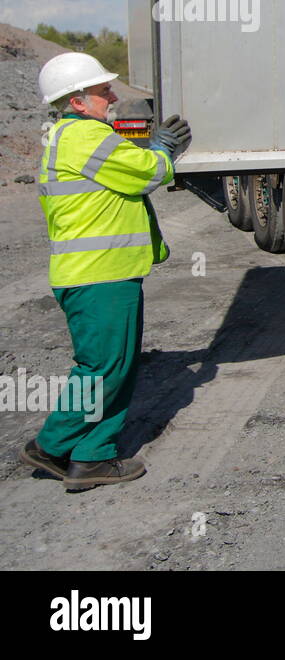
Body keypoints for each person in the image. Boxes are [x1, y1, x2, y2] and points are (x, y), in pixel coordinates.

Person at [19, 52, 191, 493]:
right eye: (102, 91)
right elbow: (142, 173)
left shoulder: (76, 136)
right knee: (104, 368)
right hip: (99, 275)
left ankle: (90, 456)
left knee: (113, 365)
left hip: (98, 273)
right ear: (76, 102)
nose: (112, 96)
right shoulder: (83, 136)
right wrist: (165, 149)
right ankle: (52, 445)